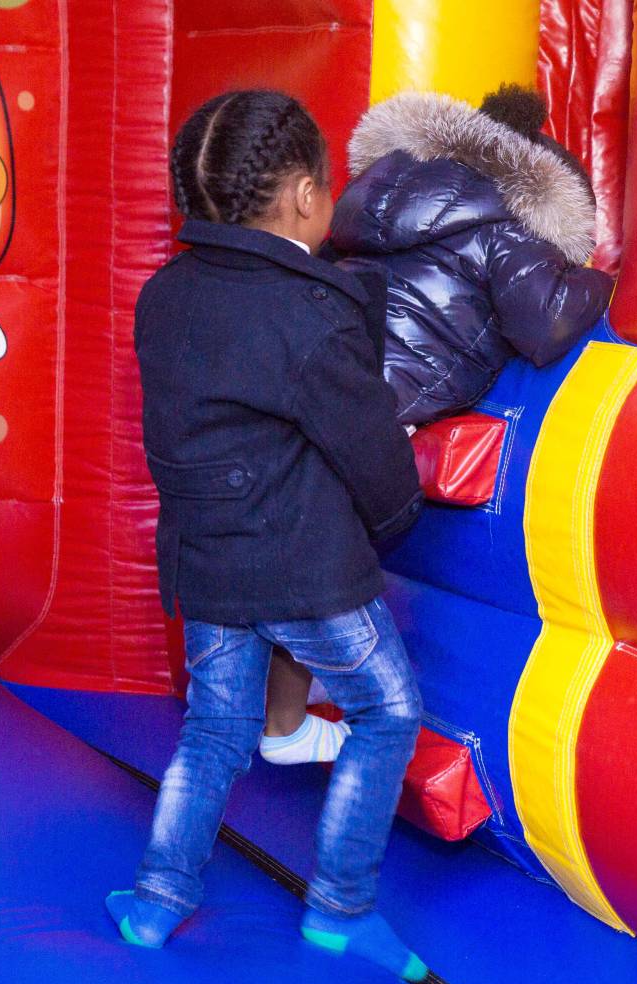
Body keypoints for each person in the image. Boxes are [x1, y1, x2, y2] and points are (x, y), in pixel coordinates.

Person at [105, 89, 431, 983]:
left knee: (216, 729)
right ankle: (342, 908)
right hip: (303, 569)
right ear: (301, 195)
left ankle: (157, 900)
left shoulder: (164, 296)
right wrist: (397, 515)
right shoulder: (308, 311)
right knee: (388, 711)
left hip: (207, 563)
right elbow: (369, 448)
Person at [261, 84, 615, 762]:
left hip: (315, 382)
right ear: (536, 181)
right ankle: (286, 724)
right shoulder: (501, 226)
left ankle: (282, 692)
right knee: (327, 559)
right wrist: (605, 281)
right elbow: (546, 321)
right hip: (383, 403)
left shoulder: (375, 199)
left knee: (292, 539)